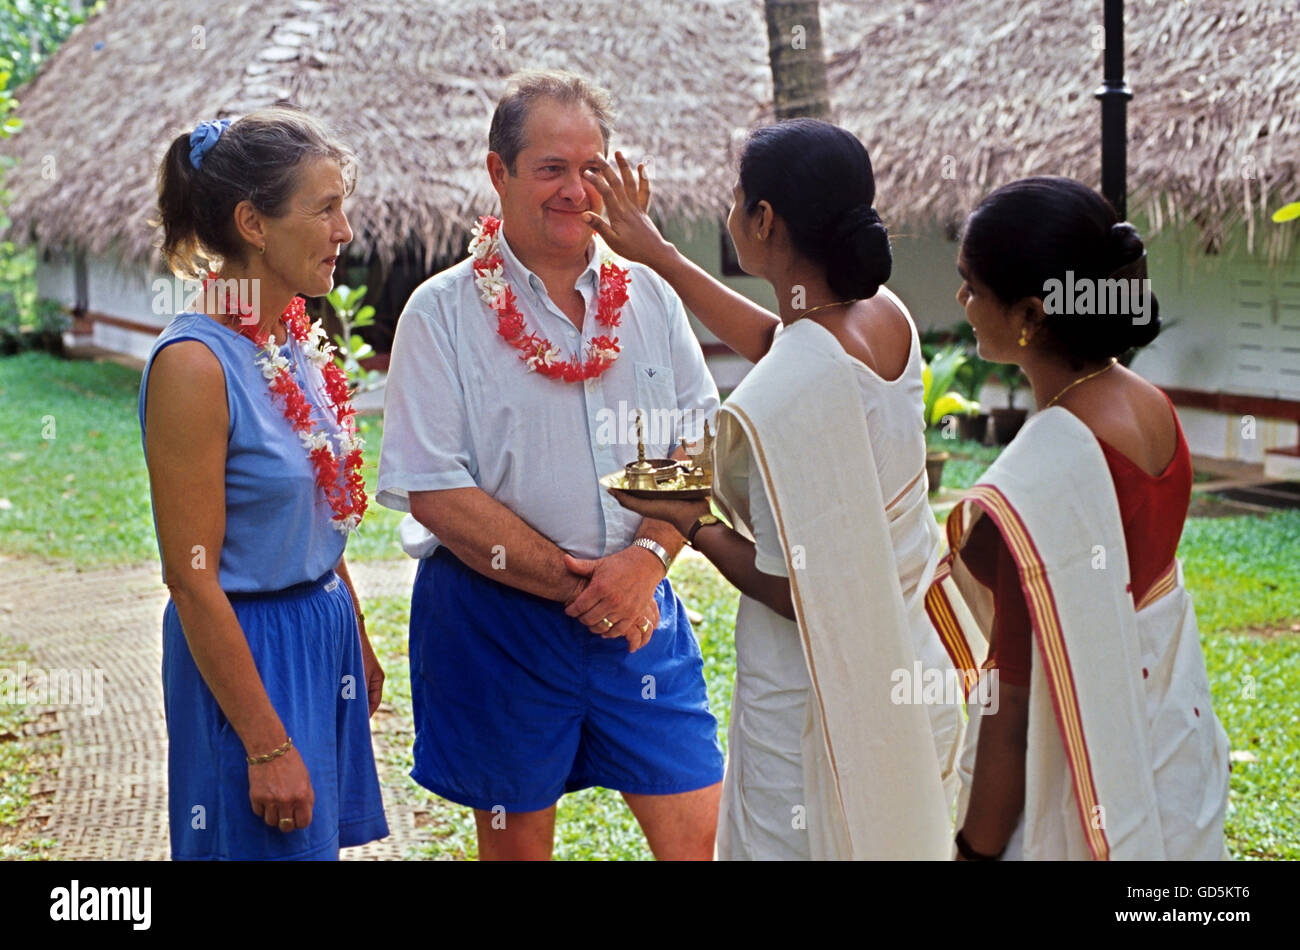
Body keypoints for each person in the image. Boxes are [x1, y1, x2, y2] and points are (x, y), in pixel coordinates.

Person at [586, 118, 967, 859]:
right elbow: (785, 340)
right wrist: (660, 255)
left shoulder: (789, 391)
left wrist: (687, 519)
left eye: (736, 199)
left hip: (812, 692)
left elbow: (800, 589)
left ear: (763, 219)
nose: (730, 213)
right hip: (908, 651)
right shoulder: (884, 317)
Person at [376, 70, 724, 861]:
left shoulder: (653, 300)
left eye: (591, 168)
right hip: (496, 622)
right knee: (517, 853)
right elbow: (433, 488)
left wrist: (645, 561)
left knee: (702, 840)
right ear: (498, 173)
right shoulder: (441, 312)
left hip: (640, 613)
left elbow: (699, 441)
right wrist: (586, 587)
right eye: (551, 169)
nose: (576, 190)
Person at [925, 176, 1230, 860]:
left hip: (1075, 776)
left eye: (971, 286)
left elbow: (1013, 715)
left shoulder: (1038, 480)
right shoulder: (1153, 407)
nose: (961, 302)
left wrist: (972, 851)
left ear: (1030, 314)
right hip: (1169, 745)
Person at [139, 108, 388, 860]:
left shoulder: (289, 340)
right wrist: (266, 744)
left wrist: (354, 632)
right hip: (247, 649)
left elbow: (312, 497)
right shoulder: (194, 365)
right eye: (325, 208)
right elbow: (190, 579)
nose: (345, 230)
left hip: (317, 634)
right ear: (253, 222)